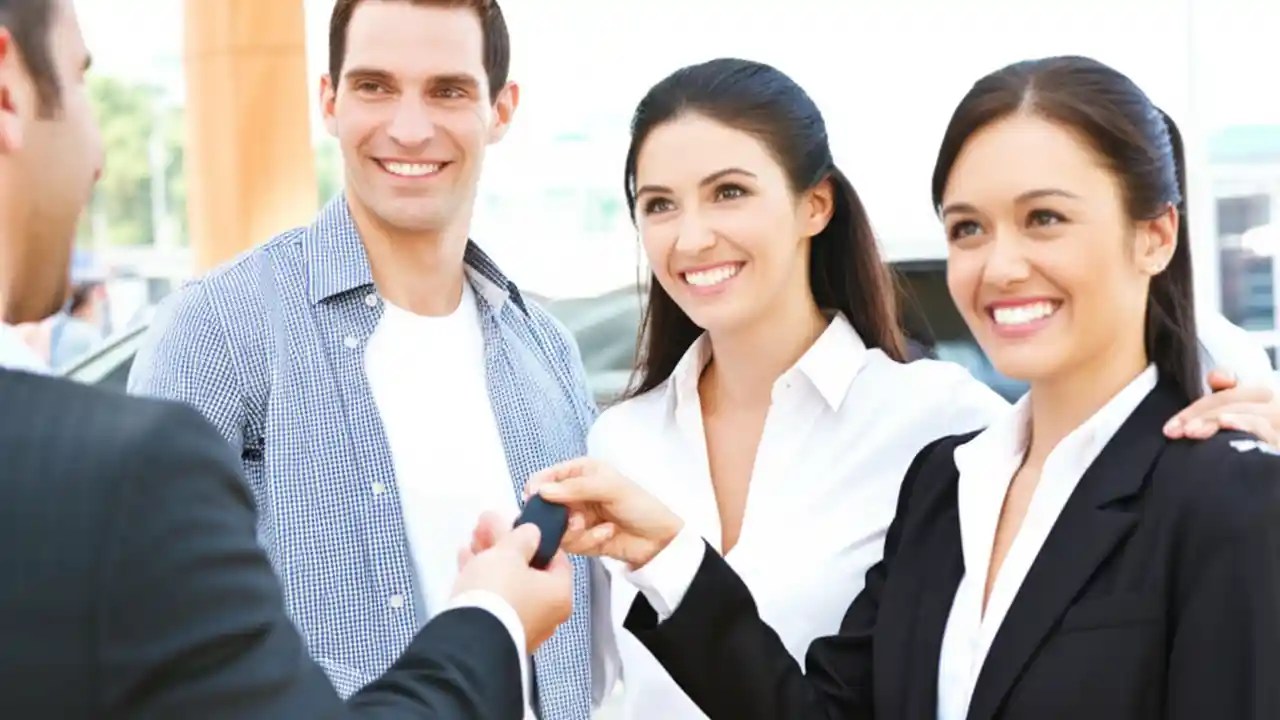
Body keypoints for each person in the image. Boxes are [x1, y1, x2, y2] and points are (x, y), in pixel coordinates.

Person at [519, 56, 1280, 719]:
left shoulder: (1224, 496)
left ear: (1156, 233)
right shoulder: (946, 488)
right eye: (967, 229)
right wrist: (670, 555)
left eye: (1044, 218)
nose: (1000, 265)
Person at [0, 0, 572, 717]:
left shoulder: (549, 355)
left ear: (502, 109)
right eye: (374, 86)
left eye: (448, 91)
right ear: (328, 100)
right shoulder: (216, 332)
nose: (409, 126)